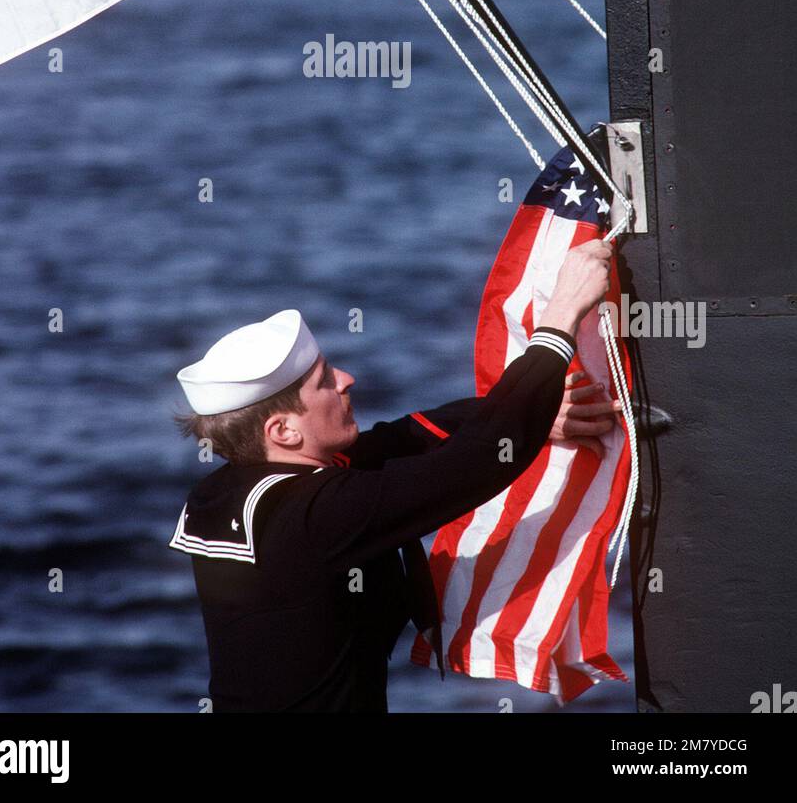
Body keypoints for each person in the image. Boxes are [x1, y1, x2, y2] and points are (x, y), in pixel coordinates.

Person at [170, 238, 618, 713]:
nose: (346, 380)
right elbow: (476, 463)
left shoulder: (222, 493)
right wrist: (561, 317)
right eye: (324, 381)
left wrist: (534, 413)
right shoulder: (319, 514)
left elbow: (405, 438)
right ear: (282, 430)